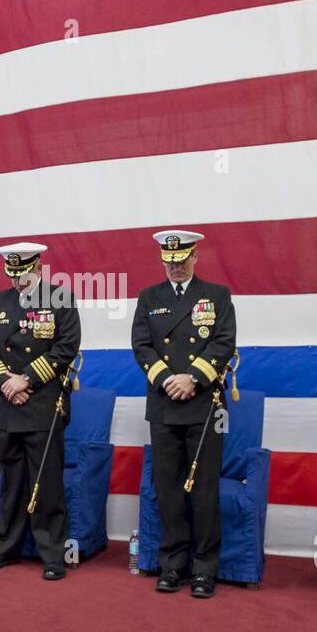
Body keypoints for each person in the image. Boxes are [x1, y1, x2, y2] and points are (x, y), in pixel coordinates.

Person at [130, 230, 236, 598]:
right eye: (169, 261)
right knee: (169, 489)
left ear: (195, 258)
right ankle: (173, 564)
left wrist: (192, 378)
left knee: (204, 490)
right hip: (163, 404)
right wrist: (167, 380)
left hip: (204, 404)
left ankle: (205, 567)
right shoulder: (149, 298)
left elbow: (224, 342)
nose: (175, 267)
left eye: (181, 260)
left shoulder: (217, 296)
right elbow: (141, 346)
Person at [0, 243, 81, 580]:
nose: (18, 282)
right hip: (7, 403)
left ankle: (52, 554)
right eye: (12, 275)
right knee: (10, 482)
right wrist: (6, 382)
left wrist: (26, 380)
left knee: (46, 481)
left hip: (42, 403)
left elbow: (66, 347)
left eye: (23, 275)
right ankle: (4, 548)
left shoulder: (60, 298)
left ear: (38, 267)